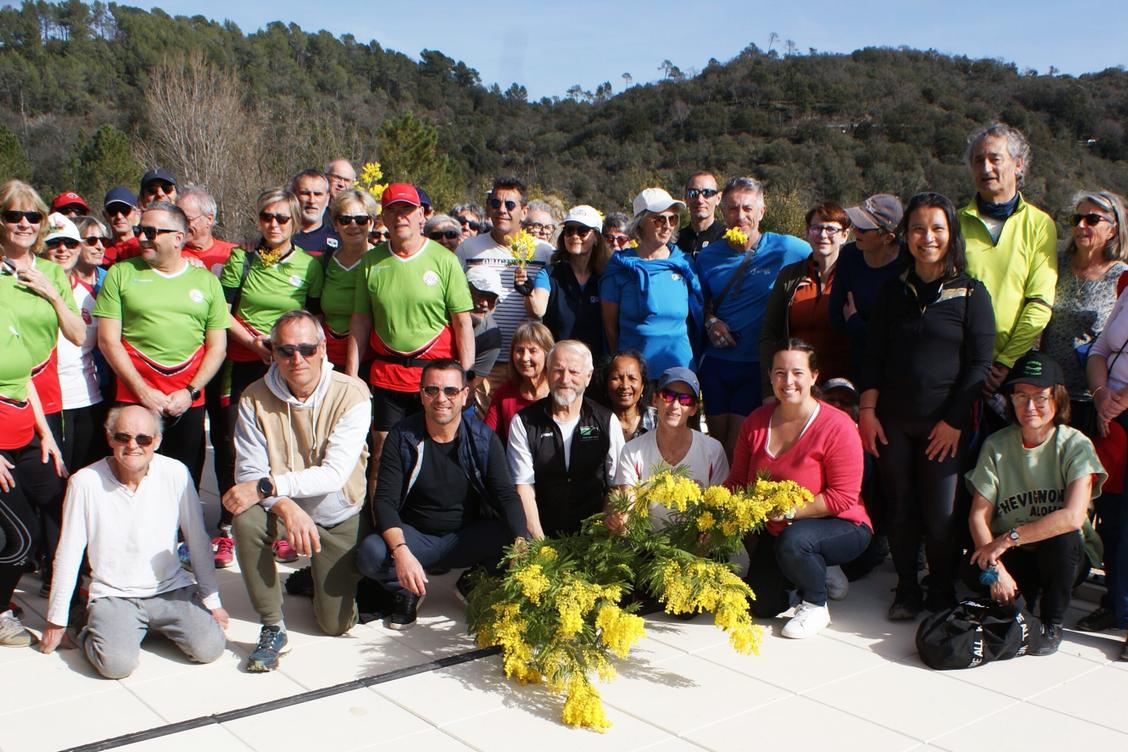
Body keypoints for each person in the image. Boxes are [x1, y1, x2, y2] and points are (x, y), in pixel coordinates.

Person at [859, 192, 996, 619]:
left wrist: (954, 421)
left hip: (946, 425)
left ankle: (940, 588)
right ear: (906, 235)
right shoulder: (892, 291)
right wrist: (867, 413)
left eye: (937, 228)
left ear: (952, 233)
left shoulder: (971, 293)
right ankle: (905, 588)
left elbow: (980, 365)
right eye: (918, 229)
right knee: (900, 508)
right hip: (893, 422)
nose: (927, 237)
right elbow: (873, 357)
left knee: (940, 514)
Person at [223, 310, 370, 671]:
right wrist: (287, 507)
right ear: (273, 352)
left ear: (323, 349)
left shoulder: (353, 394)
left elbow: (334, 475)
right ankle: (273, 625)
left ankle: (314, 578)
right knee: (244, 517)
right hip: (281, 508)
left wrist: (270, 486)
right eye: (286, 350)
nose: (297, 359)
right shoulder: (253, 397)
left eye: (306, 349)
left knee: (335, 625)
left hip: (336, 512)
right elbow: (249, 472)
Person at [38, 405, 227, 676]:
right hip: (115, 594)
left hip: (170, 588)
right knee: (116, 666)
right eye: (122, 437)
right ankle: (89, 624)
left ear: (157, 441)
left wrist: (212, 601)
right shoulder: (84, 482)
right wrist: (57, 620)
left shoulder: (175, 472)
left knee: (210, 648)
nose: (132, 446)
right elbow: (69, 553)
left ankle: (139, 628)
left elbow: (197, 540)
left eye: (143, 439)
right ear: (109, 438)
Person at [356, 360, 527, 628]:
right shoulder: (403, 436)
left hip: (465, 536)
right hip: (416, 536)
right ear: (421, 394)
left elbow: (506, 495)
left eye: (450, 391)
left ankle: (472, 582)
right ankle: (406, 589)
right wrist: (401, 552)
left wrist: (520, 541)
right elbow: (385, 501)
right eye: (432, 390)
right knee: (370, 554)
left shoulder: (483, 439)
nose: (441, 398)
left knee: (518, 535)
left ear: (465, 395)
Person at [967, 352, 1106, 656]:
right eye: (1021, 397)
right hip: (1013, 555)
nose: (1030, 407)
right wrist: (996, 570)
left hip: (1062, 557)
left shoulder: (1075, 444)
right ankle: (1021, 599)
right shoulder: (996, 445)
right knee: (981, 580)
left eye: (1040, 397)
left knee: (1064, 538)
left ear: (1058, 398)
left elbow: (1072, 517)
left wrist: (1007, 539)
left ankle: (1052, 622)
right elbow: (978, 515)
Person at [730, 339, 871, 639]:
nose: (788, 381)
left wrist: (789, 511)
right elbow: (738, 482)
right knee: (762, 605)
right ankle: (812, 568)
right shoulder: (755, 422)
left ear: (814, 376)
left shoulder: (838, 425)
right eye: (780, 373)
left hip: (841, 524)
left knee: (795, 541)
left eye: (797, 372)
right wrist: (712, 513)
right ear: (770, 376)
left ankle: (816, 604)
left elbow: (843, 496)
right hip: (779, 529)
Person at [216, 188, 323, 564]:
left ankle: (280, 526)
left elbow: (314, 318)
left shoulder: (309, 266)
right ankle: (228, 526)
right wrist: (254, 343)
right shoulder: (241, 259)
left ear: (295, 221)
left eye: (281, 218)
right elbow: (221, 311)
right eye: (266, 216)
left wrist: (284, 350)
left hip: (288, 365)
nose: (273, 224)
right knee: (232, 445)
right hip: (245, 362)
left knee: (284, 444)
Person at [95, 201, 228, 489]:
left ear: (178, 238)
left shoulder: (206, 281)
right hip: (134, 396)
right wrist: (142, 391)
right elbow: (107, 340)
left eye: (152, 232)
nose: (143, 237)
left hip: (186, 399)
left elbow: (218, 347)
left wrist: (190, 392)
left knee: (183, 483)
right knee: (130, 479)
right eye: (140, 230)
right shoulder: (121, 273)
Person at [348, 183, 474, 475]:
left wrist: (465, 375)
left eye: (407, 209)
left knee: (437, 452)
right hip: (388, 375)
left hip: (434, 376)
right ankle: (384, 506)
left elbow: (462, 322)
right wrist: (352, 376)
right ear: (383, 217)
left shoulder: (444, 260)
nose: (400, 217)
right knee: (383, 453)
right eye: (392, 211)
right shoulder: (371, 262)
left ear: (421, 214)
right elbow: (361, 321)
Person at [696, 177, 810, 455]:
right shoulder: (708, 257)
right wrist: (711, 321)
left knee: (738, 446)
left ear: (762, 211)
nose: (740, 216)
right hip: (716, 363)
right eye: (733, 208)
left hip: (756, 364)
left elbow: (824, 256)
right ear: (723, 212)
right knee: (715, 447)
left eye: (747, 208)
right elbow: (702, 303)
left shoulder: (786, 248)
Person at [959, 122, 1057, 402]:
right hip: (959, 364)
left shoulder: (1040, 225)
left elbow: (1039, 303)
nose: (986, 168)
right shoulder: (954, 223)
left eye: (995, 159)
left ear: (1018, 164)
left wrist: (1004, 363)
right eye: (978, 160)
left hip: (1012, 370)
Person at [508, 340, 625, 539]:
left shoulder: (607, 421)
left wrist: (603, 534)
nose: (565, 379)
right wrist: (540, 545)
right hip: (541, 533)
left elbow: (617, 485)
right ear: (547, 372)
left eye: (574, 372)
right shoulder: (524, 422)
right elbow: (524, 487)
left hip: (595, 536)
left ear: (588, 376)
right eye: (558, 370)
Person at [0, 305, 66, 646]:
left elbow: (25, 379)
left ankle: (67, 595)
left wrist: (46, 434)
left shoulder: (6, 312)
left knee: (61, 503)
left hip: (26, 439)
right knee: (22, 539)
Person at [0, 180, 85, 440]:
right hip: (5, 401)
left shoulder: (52, 272)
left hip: (47, 398)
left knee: (52, 465)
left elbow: (78, 335)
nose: (25, 224)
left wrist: (52, 294)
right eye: (14, 216)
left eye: (33, 217)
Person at [1042, 190, 1128, 424]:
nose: (1081, 225)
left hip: (1093, 398)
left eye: (1092, 219)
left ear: (1112, 230)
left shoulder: (1121, 277)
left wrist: (1105, 397)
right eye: (1076, 219)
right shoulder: (1054, 264)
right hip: (1047, 391)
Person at [456, 178, 553, 386]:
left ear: (524, 211)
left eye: (509, 205)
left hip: (528, 364)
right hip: (482, 361)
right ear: (487, 208)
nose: (502, 210)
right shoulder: (468, 248)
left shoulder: (543, 252)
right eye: (495, 203)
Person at [611, 367, 729, 531]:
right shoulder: (632, 451)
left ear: (694, 409)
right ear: (655, 400)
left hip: (698, 543)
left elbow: (720, 510)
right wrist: (622, 523)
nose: (675, 405)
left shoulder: (713, 450)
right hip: (646, 542)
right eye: (668, 396)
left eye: (685, 400)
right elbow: (628, 506)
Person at [601, 187, 701, 375]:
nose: (668, 225)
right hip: (635, 375)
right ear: (640, 222)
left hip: (679, 371)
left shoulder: (684, 264)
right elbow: (610, 328)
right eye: (659, 219)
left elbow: (698, 316)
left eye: (673, 219)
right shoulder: (620, 267)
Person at [760, 202, 853, 399]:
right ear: (807, 232)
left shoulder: (855, 278)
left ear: (845, 235)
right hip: (795, 387)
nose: (823, 235)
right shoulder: (790, 276)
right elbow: (770, 334)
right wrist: (769, 390)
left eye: (831, 229)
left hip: (843, 389)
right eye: (816, 228)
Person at [43, 214, 106, 472]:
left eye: (70, 243)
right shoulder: (24, 291)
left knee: (86, 476)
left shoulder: (90, 296)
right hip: (48, 405)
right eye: (53, 243)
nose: (62, 249)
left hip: (88, 400)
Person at [829, 193, 906, 382]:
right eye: (855, 224)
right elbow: (836, 316)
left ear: (887, 237)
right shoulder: (849, 256)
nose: (855, 231)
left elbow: (900, 332)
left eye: (863, 229)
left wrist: (856, 323)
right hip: (854, 367)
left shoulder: (908, 263)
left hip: (895, 372)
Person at [520, 204, 609, 354]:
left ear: (596, 238)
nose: (575, 236)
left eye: (582, 231)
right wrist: (528, 292)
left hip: (594, 363)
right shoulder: (549, 273)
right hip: (557, 362)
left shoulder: (605, 277)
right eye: (569, 230)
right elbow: (538, 310)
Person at [322, 189, 379, 371]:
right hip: (327, 358)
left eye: (361, 220)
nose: (353, 225)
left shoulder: (381, 262)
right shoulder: (325, 261)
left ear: (371, 223)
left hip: (369, 359)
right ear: (335, 224)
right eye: (345, 220)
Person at [483, 321, 553, 443]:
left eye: (533, 351)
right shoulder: (504, 394)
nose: (525, 358)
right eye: (519, 350)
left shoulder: (558, 392)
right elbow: (486, 438)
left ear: (547, 354)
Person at [177, 185, 237, 278]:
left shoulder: (234, 254)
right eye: (178, 220)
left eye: (187, 219)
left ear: (209, 219)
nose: (181, 225)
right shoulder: (174, 256)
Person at [597, 350, 656, 443]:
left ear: (642, 386)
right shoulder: (594, 422)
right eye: (616, 378)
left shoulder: (657, 421)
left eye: (632, 378)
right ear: (606, 384)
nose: (625, 386)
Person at [290, 169, 340, 255]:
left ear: (327, 199)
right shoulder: (278, 236)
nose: (312, 200)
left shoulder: (340, 242)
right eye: (305, 193)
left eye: (317, 194)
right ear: (293, 196)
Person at [677, 171, 726, 258]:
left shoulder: (727, 239)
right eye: (693, 193)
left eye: (707, 193)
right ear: (686, 198)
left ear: (718, 198)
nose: (700, 200)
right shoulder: (676, 240)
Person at [100, 187, 141, 265]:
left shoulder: (145, 248)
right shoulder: (99, 250)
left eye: (125, 210)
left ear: (137, 213)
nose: (119, 216)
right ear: (105, 215)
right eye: (112, 210)